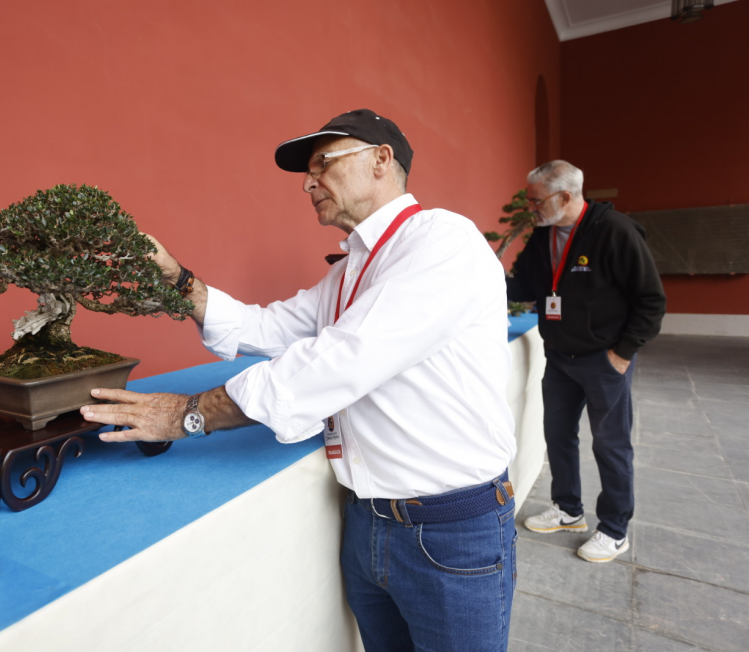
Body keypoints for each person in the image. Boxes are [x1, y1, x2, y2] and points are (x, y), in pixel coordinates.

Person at [81, 109, 518, 651]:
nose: (309, 183)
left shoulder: (441, 241)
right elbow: (264, 326)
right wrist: (178, 279)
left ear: (382, 160)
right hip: (368, 525)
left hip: (450, 532)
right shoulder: (347, 271)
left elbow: (340, 360)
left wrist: (184, 414)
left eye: (323, 164)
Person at [508, 160, 666, 563]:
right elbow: (522, 285)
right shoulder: (543, 236)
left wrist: (622, 353)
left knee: (611, 446)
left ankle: (614, 530)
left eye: (536, 200)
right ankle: (568, 510)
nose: (531, 208)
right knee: (558, 436)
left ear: (564, 197)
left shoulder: (616, 232)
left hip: (603, 360)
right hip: (559, 358)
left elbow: (651, 300)